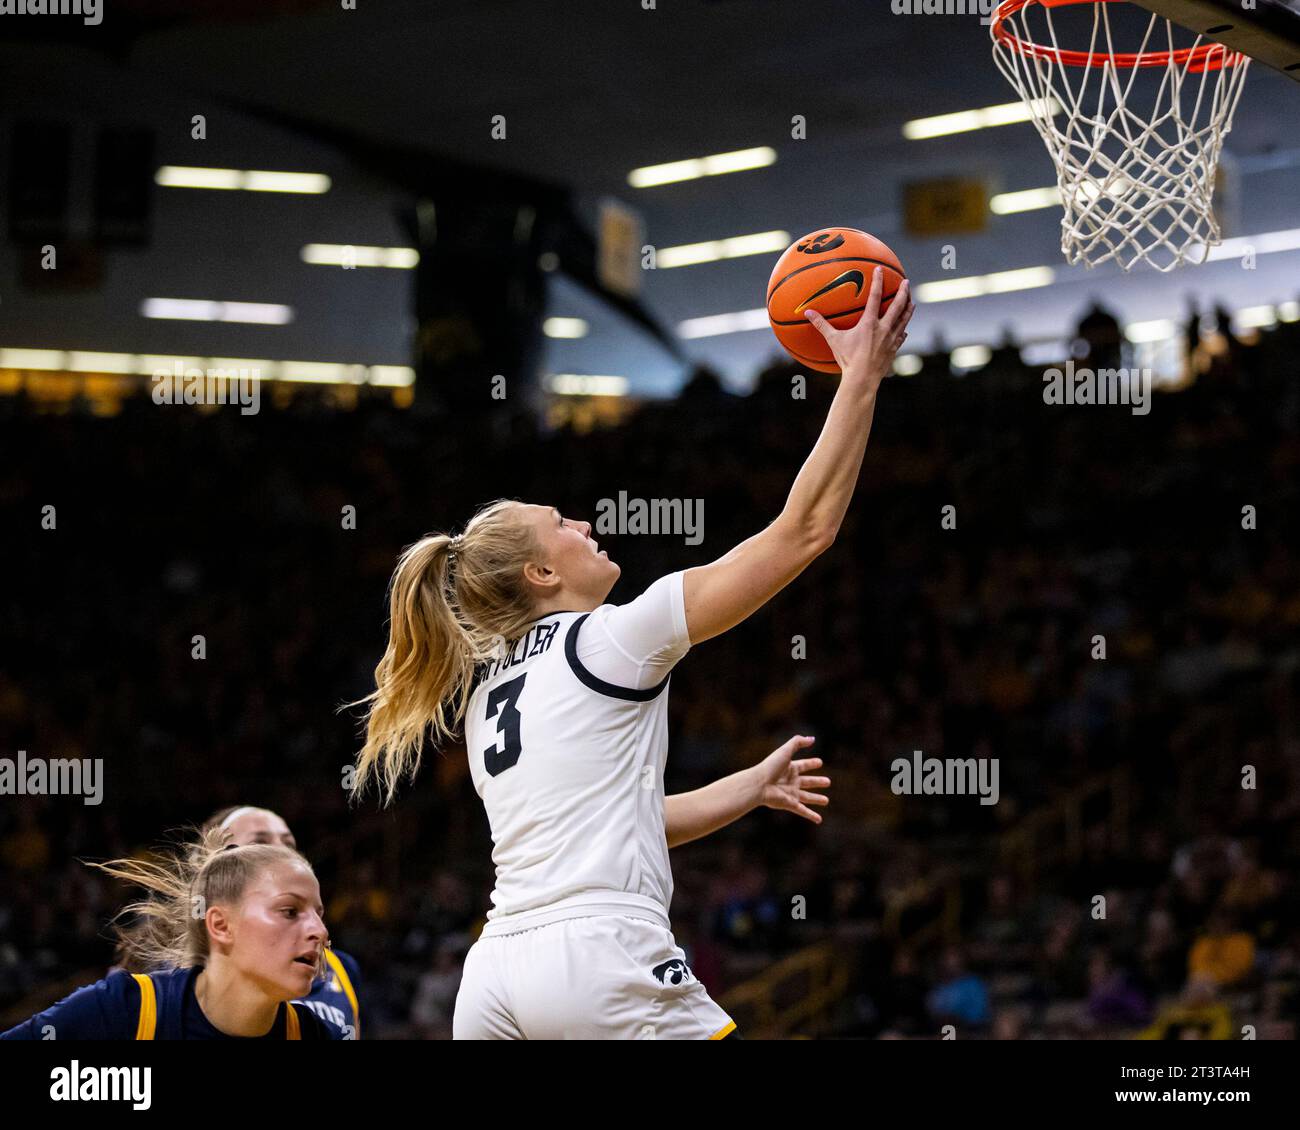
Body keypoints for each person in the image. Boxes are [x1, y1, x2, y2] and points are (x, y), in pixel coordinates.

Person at [348, 270, 913, 1039]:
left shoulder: (488, 695)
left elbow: (621, 819)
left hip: (495, 973)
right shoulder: (610, 637)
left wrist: (744, 789)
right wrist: (861, 381)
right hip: (598, 955)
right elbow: (802, 531)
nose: (583, 521)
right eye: (562, 525)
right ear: (541, 574)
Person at [1, 829, 340, 1039]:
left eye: (318, 915)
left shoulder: (313, 1034)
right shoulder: (125, 1011)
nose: (320, 931)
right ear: (220, 925)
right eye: (289, 911)